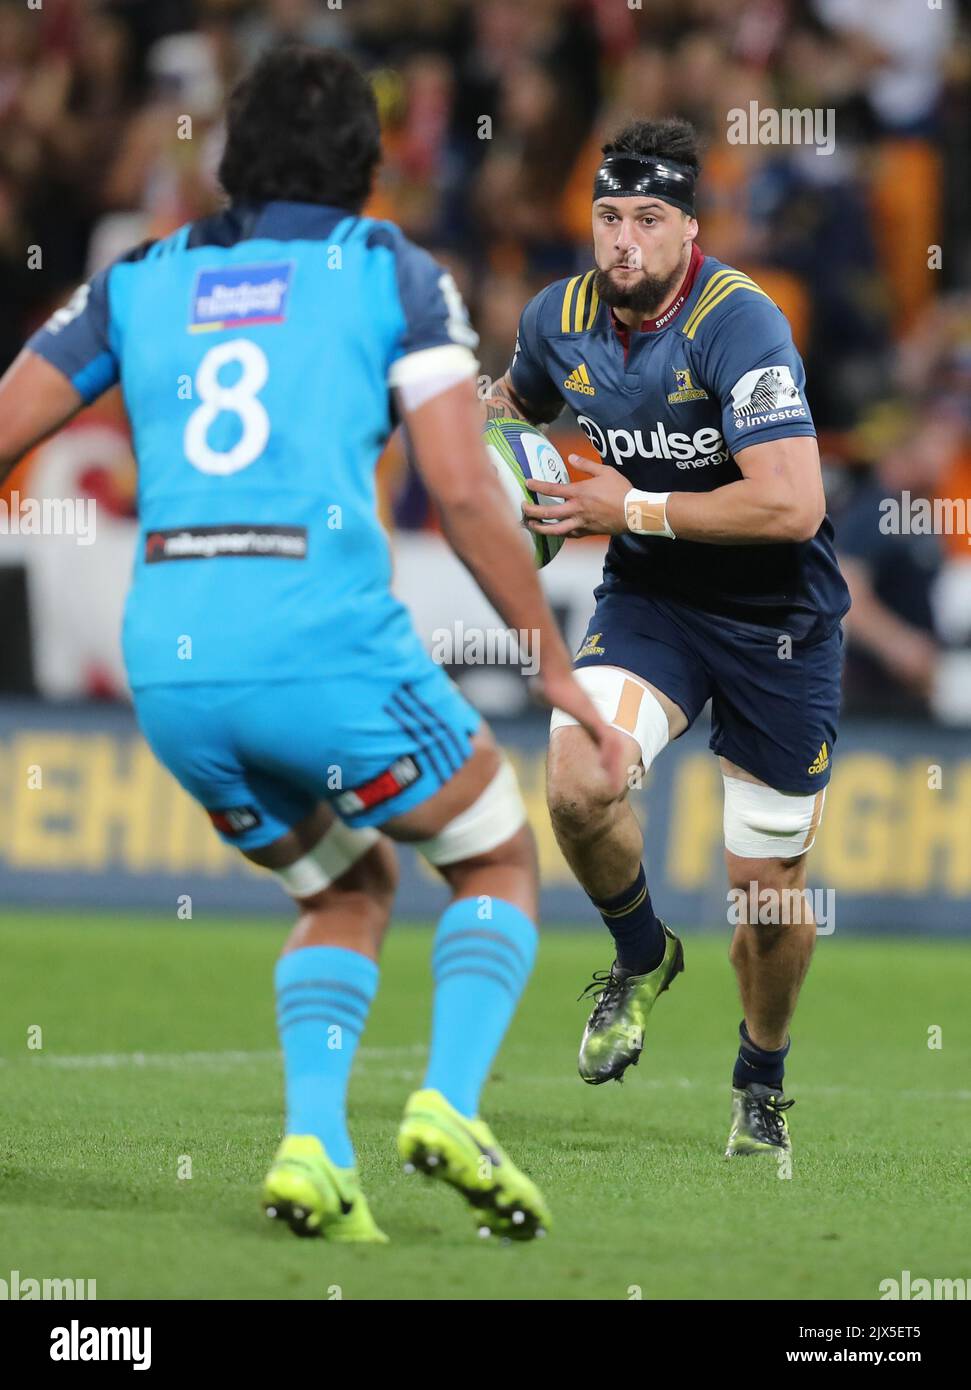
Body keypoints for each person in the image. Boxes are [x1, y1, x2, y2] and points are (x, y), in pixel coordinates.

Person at [0, 45, 622, 1241]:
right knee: (492, 857)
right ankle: (446, 1104)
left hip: (173, 662)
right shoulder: (388, 269)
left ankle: (313, 1151)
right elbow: (455, 478)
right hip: (319, 637)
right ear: (367, 167)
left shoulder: (142, 275)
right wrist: (546, 657)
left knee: (346, 885)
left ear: (231, 161)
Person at [485, 117, 851, 1157]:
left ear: (688, 228)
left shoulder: (740, 325)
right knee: (575, 781)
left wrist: (625, 504)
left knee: (766, 900)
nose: (623, 240)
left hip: (777, 623)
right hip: (652, 605)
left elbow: (788, 505)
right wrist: (496, 455)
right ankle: (640, 955)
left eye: (647, 218)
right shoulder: (556, 319)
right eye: (607, 216)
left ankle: (758, 1075)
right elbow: (508, 409)